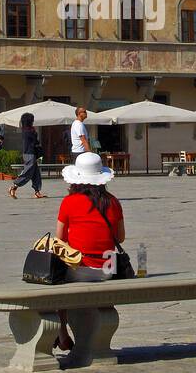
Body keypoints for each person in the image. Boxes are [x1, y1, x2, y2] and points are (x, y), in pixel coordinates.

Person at [54, 152, 125, 352]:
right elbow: (120, 238)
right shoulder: (113, 202)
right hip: (107, 270)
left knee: (56, 277)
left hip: (80, 269)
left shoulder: (69, 202)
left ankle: (61, 332)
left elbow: (60, 239)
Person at [9, 112, 46, 199]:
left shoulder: (28, 129)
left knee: (36, 173)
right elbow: (34, 141)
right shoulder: (27, 131)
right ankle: (14, 186)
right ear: (29, 121)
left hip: (32, 153)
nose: (33, 121)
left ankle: (37, 191)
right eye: (32, 119)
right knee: (28, 172)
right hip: (29, 153)